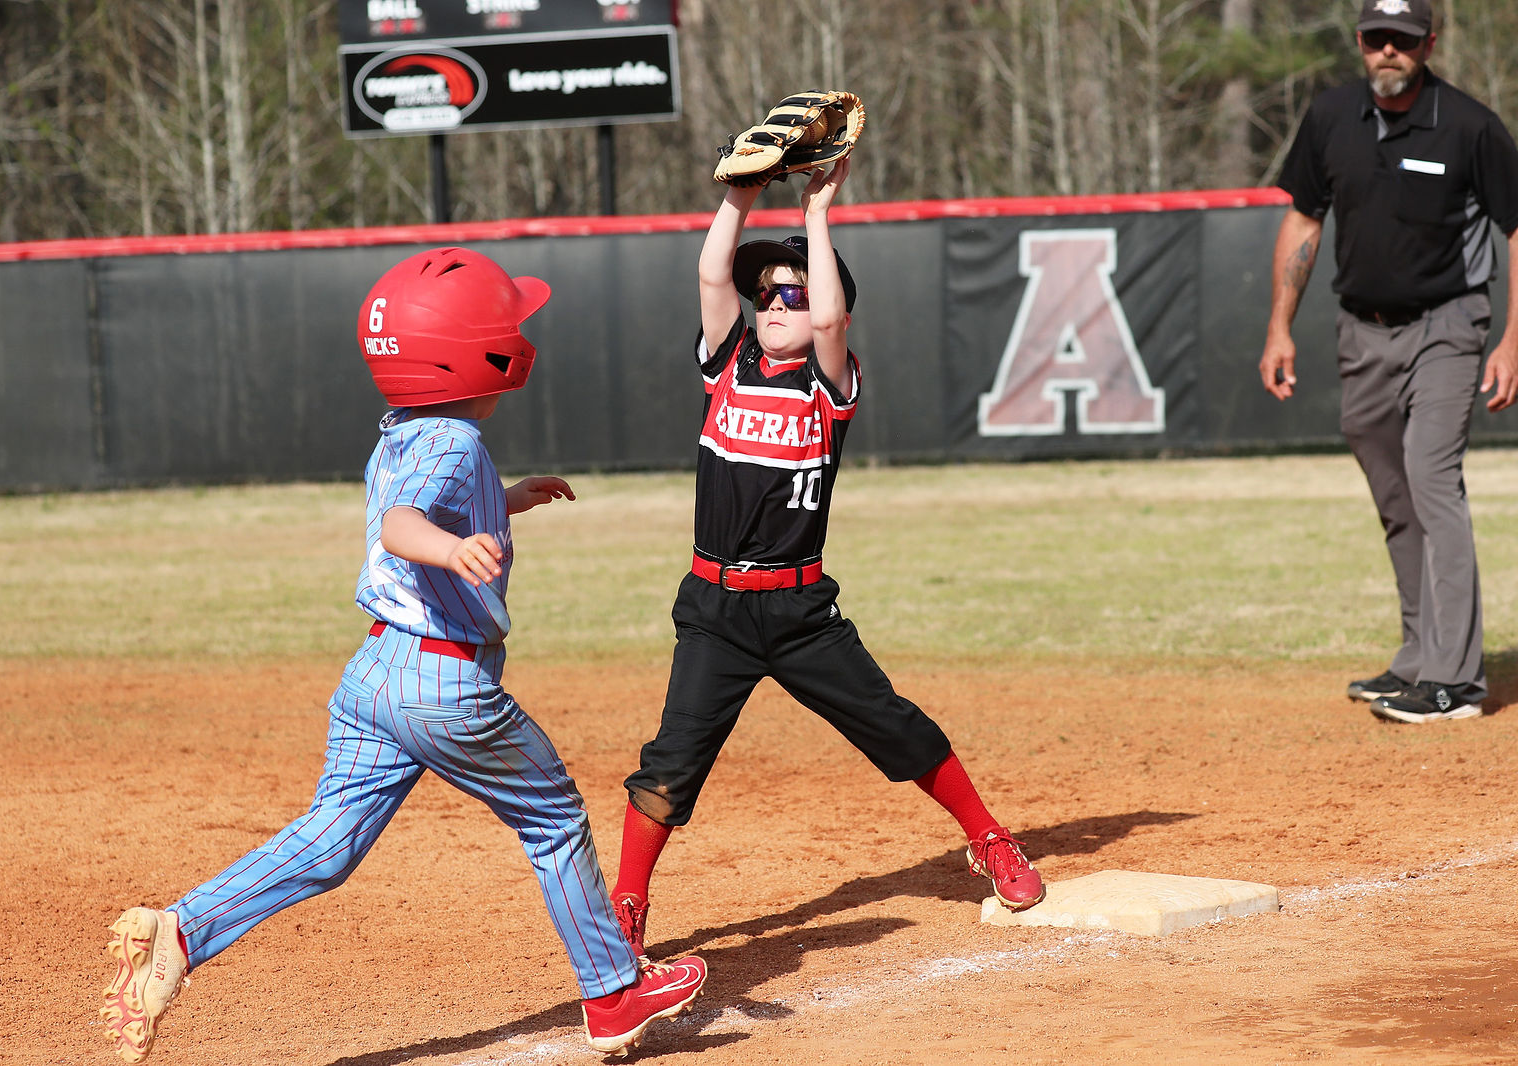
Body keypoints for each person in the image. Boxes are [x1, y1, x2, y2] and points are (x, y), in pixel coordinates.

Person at [98, 247, 707, 1063]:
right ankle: (612, 994)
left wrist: (506, 500)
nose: (519, 334)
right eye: (508, 325)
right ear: (473, 352)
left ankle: (180, 931)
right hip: (442, 684)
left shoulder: (408, 430)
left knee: (329, 842)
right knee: (554, 818)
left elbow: (415, 501)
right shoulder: (453, 440)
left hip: (375, 677)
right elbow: (400, 525)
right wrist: (450, 552)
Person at [606, 156, 1045, 962]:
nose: (776, 303)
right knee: (670, 765)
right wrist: (740, 195)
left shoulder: (825, 385)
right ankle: (627, 902)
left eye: (795, 293)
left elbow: (835, 325)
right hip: (716, 610)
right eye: (766, 292)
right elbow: (711, 276)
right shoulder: (728, 365)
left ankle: (988, 838)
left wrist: (817, 211)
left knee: (895, 727)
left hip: (803, 614)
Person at [1259, 0, 1518, 725]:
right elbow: (1304, 219)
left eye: (1403, 41)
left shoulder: (1468, 124)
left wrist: (1512, 339)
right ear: (1360, 41)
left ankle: (1456, 681)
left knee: (1434, 482)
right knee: (1395, 498)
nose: (1387, 52)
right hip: (1360, 331)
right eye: (1376, 39)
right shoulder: (1331, 117)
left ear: (1428, 44)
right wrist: (1278, 328)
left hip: (1448, 325)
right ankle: (1418, 658)